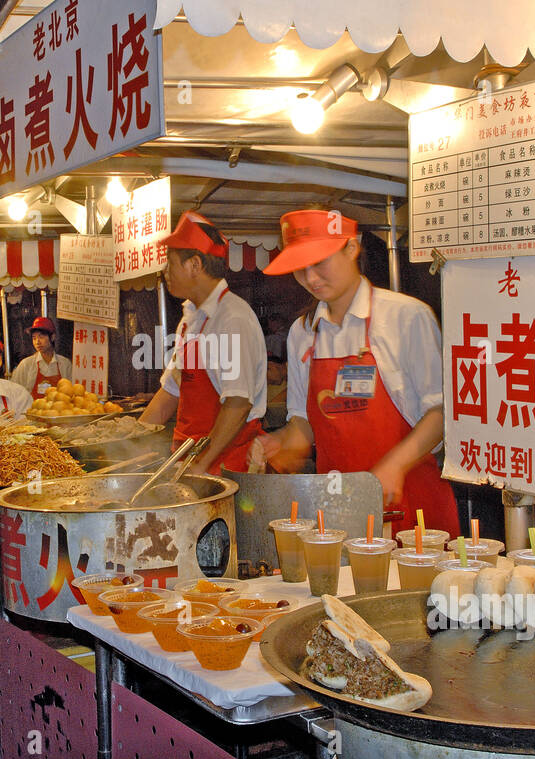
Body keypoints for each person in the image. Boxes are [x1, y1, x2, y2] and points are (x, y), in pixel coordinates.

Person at [252, 210, 460, 532]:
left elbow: (441, 413)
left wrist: (395, 463)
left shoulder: (406, 317)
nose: (311, 278)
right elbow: (304, 423)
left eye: (319, 263)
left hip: (411, 507)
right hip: (339, 508)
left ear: (351, 248)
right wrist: (282, 442)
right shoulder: (303, 332)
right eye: (299, 268)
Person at [139, 212, 267, 474]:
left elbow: (238, 403)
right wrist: (130, 441)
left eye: (170, 263)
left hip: (224, 466)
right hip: (189, 460)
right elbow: (171, 391)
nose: (166, 272)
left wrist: (202, 463)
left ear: (195, 264)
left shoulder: (231, 317)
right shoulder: (191, 317)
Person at [11, 317, 72, 399]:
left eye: (41, 337)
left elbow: (71, 393)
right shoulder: (26, 365)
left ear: (52, 337)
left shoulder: (65, 364)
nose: (37, 342)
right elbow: (13, 391)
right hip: (32, 411)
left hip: (59, 410)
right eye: (34, 338)